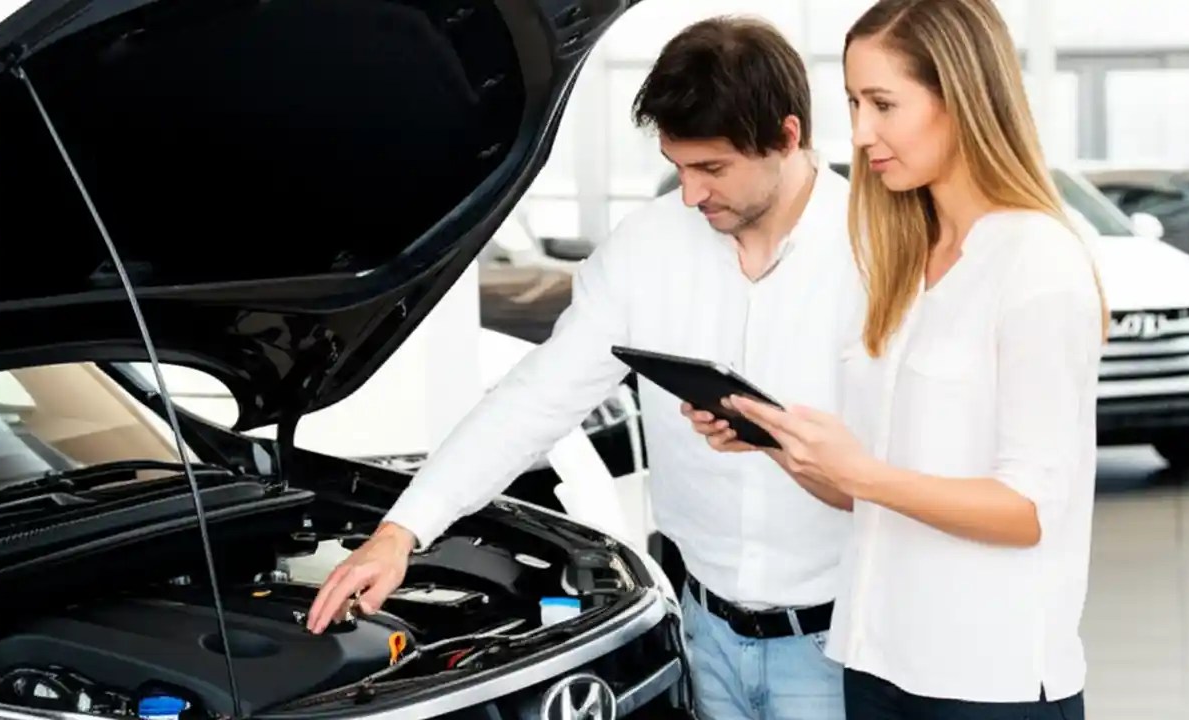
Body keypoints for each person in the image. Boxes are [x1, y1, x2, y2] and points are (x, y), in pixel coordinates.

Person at [307, 15, 866, 720]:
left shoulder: (880, 249)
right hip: (700, 633)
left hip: (841, 648)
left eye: (712, 168)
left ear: (787, 137)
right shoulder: (647, 248)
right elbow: (537, 398)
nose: (690, 194)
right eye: (678, 165)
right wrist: (403, 530)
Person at [688, 1, 1105, 718]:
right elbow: (879, 490)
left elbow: (1031, 510)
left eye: (883, 104)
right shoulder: (905, 262)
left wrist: (865, 472)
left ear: (965, 97)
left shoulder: (1038, 262)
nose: (860, 133)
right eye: (853, 103)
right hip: (877, 661)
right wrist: (786, 448)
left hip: (987, 680)